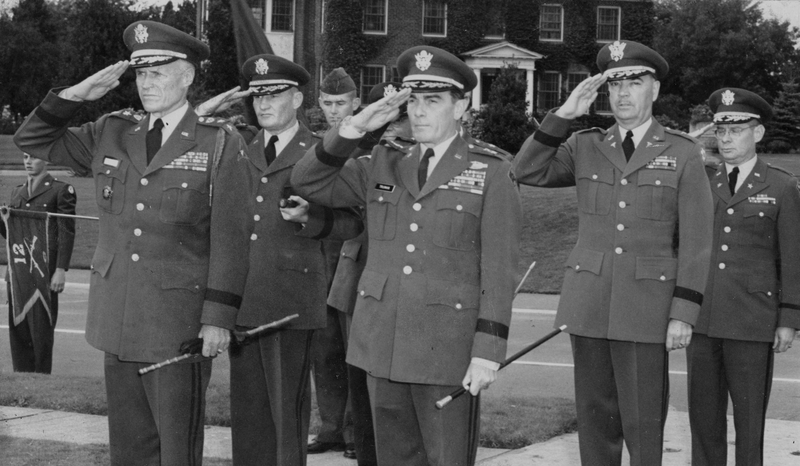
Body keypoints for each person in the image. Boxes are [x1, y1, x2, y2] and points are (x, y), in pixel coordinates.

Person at [14, 21, 255, 465]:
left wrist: (218, 319)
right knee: (128, 448)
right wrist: (75, 96)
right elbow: (32, 139)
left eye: (158, 72)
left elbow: (231, 239)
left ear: (188, 76)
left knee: (176, 449)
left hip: (177, 323)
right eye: (141, 73)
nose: (146, 83)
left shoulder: (218, 143)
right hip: (118, 315)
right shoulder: (112, 130)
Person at [292, 45, 521, 466]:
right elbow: (307, 180)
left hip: (446, 351)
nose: (418, 111)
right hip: (382, 346)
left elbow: (498, 269)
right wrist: (354, 127)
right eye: (413, 100)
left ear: (460, 106)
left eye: (432, 100)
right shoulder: (383, 161)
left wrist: (488, 351)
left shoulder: (490, 171)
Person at [512, 40, 714, 465]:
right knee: (594, 424)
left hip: (647, 308)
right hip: (589, 303)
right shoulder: (585, 144)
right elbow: (525, 170)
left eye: (634, 83)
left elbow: (698, 241)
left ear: (654, 90)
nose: (623, 93)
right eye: (615, 85)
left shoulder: (681, 152)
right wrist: (563, 115)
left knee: (643, 424)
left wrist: (683, 312)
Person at [229, 54, 363, 466]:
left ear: (298, 99)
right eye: (258, 96)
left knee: (286, 415)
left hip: (292, 300)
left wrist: (311, 218)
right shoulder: (239, 148)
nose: (263, 104)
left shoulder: (322, 152)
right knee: (248, 415)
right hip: (243, 298)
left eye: (274, 95)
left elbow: (353, 222)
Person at [687, 88, 800, 466]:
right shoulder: (702, 181)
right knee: (704, 419)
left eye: (736, 130)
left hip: (753, 320)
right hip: (703, 319)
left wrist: (788, 319)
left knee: (749, 423)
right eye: (721, 131)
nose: (726, 139)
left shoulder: (781, 185)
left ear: (758, 133)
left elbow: (793, 259)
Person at [307, 67, 361, 458]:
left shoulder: (369, 145)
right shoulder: (316, 147)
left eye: (340, 103)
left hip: (356, 255)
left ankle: (356, 431)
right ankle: (330, 427)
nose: (333, 110)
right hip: (320, 255)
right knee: (323, 348)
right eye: (327, 103)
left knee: (354, 347)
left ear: (356, 103)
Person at [2, 152, 76, 373]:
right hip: (19, 272)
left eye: (33, 157)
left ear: (46, 160)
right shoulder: (17, 191)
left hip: (45, 271)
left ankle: (41, 378)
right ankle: (22, 378)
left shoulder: (60, 190)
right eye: (25, 157)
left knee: (41, 332)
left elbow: (66, 232)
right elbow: (12, 233)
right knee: (18, 329)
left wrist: (60, 269)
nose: (28, 162)